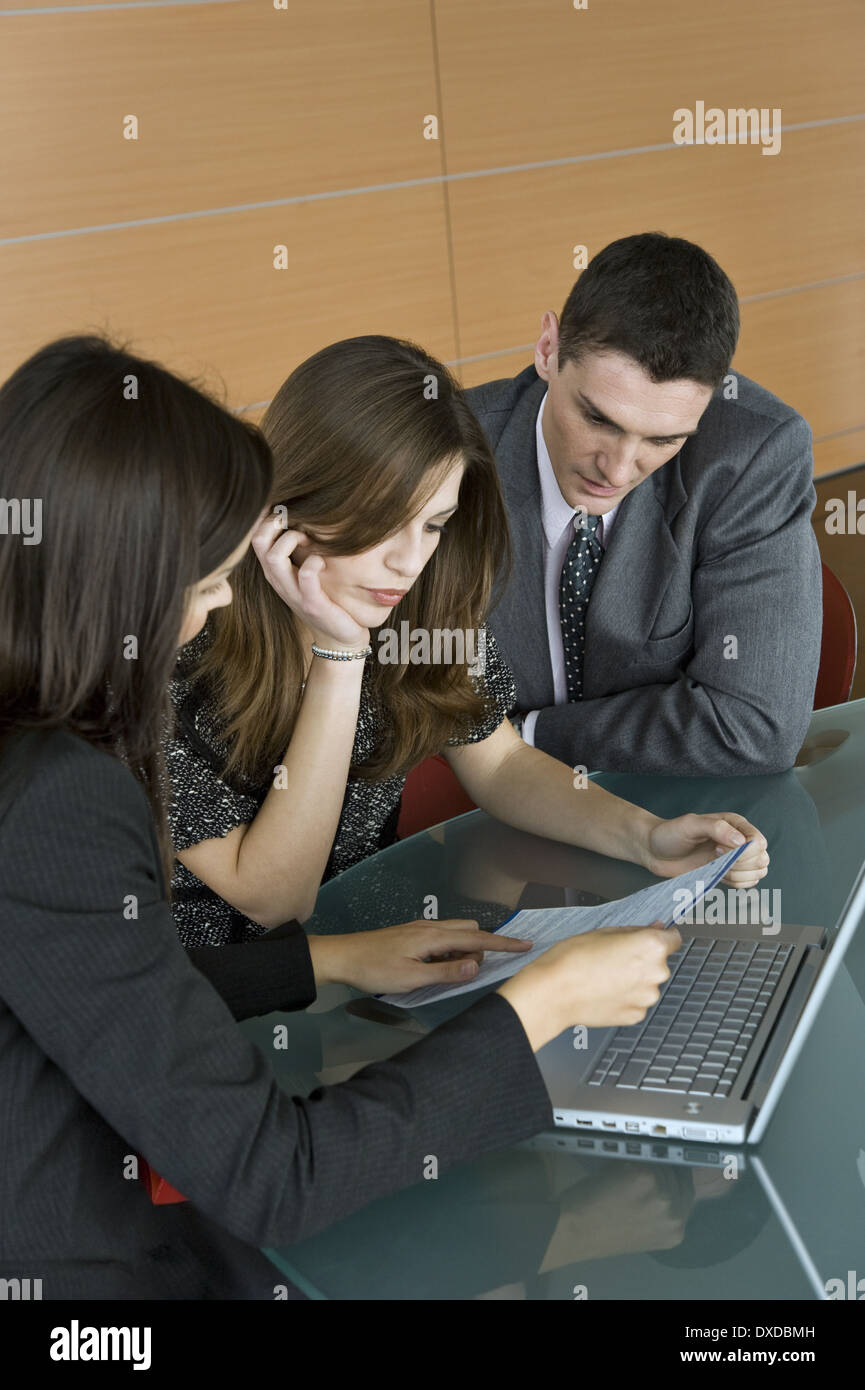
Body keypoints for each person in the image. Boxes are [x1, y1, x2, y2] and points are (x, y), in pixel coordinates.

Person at [0, 331, 693, 1300]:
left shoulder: (41, 744)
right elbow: (277, 1179)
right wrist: (541, 1005)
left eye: (436, 523)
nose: (211, 607)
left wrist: (328, 961)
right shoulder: (71, 783)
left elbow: (87, 974)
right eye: (202, 584)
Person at [165, 333, 769, 950]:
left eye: (432, 525)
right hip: (214, 1002)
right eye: (381, 520)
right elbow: (276, 901)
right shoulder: (177, 640)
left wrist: (646, 836)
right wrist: (339, 657)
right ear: (292, 499)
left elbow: (499, 761)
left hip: (373, 952)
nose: (408, 562)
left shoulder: (415, 607)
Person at [463, 232, 823, 777]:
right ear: (548, 350)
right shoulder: (449, 456)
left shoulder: (753, 455)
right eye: (597, 419)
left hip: (670, 805)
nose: (617, 468)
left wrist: (523, 738)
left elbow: (753, 726)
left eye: (663, 441)